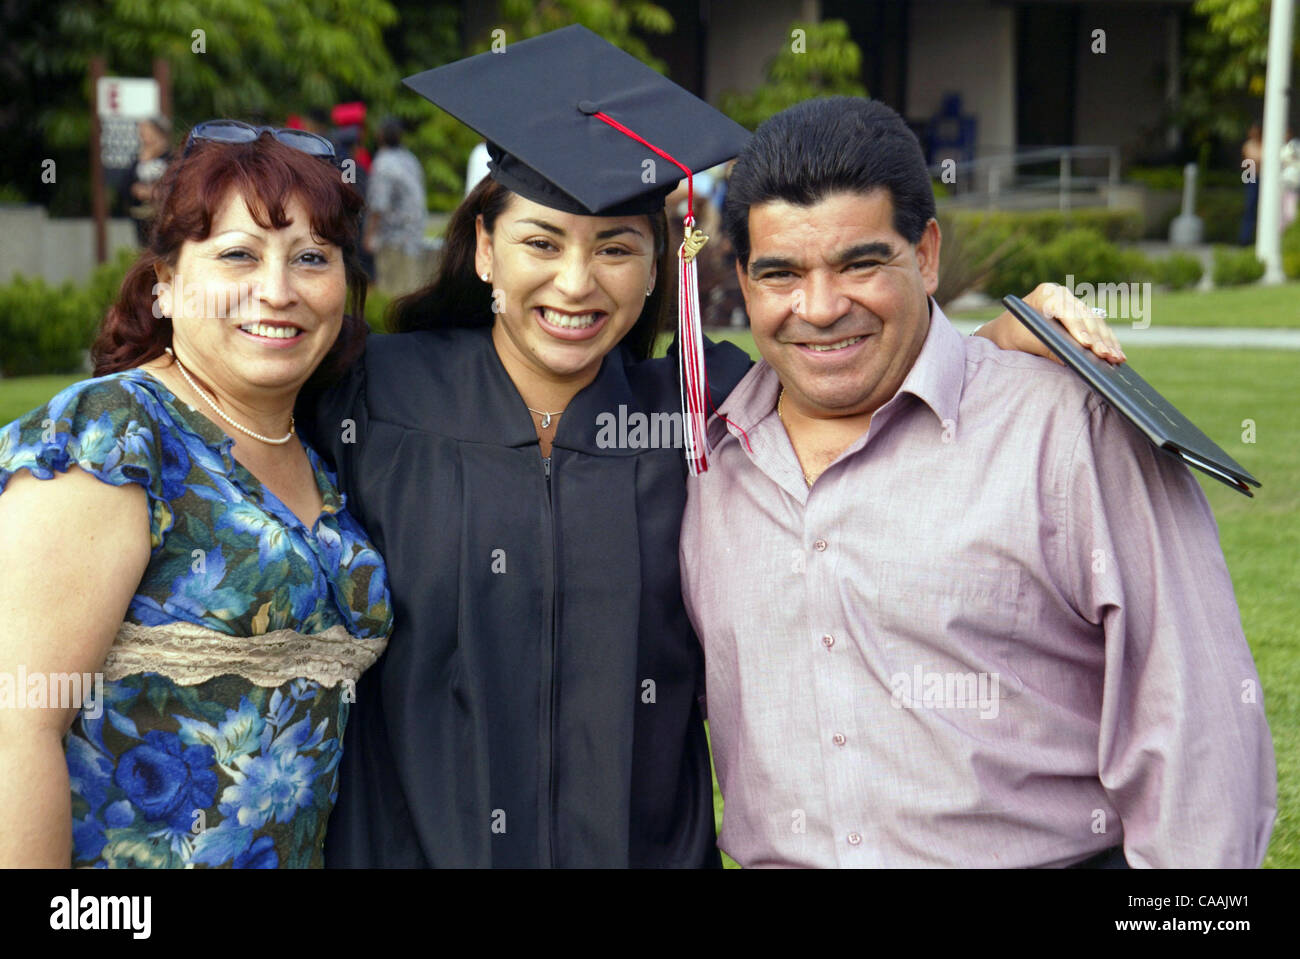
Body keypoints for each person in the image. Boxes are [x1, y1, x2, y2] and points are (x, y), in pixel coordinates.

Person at [302, 28, 1119, 870]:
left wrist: (997, 337)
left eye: (617, 247)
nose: (577, 282)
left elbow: (856, 366)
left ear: (660, 265)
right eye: (541, 242)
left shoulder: (707, 411)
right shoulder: (372, 397)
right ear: (484, 251)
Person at [680, 96, 1277, 868]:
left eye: (861, 263)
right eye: (782, 273)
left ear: (925, 255)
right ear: (743, 280)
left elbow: (1199, 738)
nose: (821, 307)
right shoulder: (703, 456)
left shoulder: (1070, 432)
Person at [0, 121, 392, 868]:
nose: (277, 290)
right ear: (167, 286)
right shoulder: (114, 435)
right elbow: (13, 722)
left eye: (312, 257)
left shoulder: (317, 451)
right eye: (238, 254)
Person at [364, 117, 428, 296]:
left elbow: (379, 205)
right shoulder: (410, 159)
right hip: (414, 234)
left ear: (380, 136)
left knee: (391, 291)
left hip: (393, 238)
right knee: (411, 288)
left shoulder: (383, 163)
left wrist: (369, 235)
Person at [127, 116, 173, 245]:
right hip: (141, 215)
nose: (143, 136)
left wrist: (158, 191)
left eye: (147, 131)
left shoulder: (171, 158)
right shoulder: (138, 159)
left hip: (162, 215)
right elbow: (126, 184)